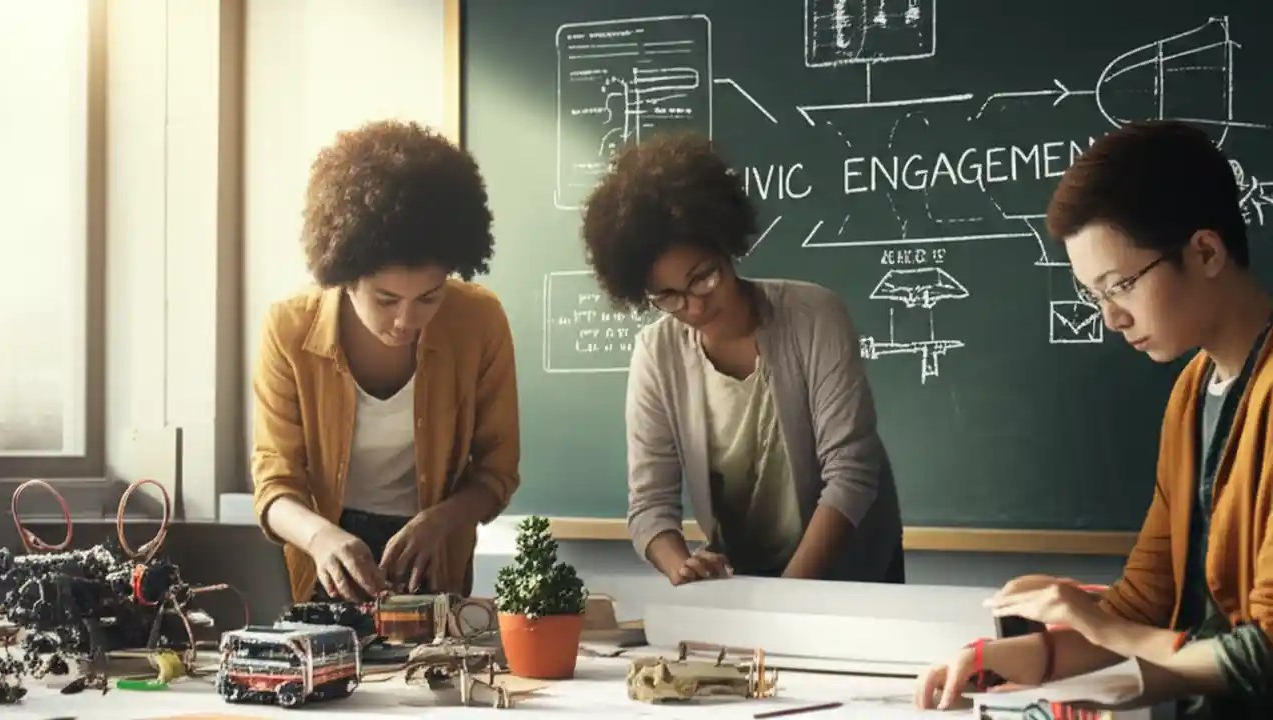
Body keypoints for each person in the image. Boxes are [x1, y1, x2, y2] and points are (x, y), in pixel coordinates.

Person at [914, 120, 1273, 717]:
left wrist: (1100, 628)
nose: (1111, 318)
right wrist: (1032, 656)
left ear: (1206, 251)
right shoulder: (1192, 392)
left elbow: (1262, 655)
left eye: (1120, 286)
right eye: (1093, 295)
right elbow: (1146, 602)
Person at [580, 132, 904, 586]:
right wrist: (680, 565)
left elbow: (851, 473)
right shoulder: (657, 354)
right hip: (743, 583)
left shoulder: (814, 317)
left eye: (703, 278)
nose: (692, 308)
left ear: (726, 248)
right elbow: (650, 506)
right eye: (667, 296)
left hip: (850, 579)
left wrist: (787, 597)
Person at [251, 119, 520, 605]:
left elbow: (497, 472)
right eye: (386, 298)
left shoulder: (480, 321)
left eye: (429, 298)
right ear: (345, 275)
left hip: (434, 559)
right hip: (320, 562)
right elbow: (274, 486)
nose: (406, 321)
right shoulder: (289, 330)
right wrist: (320, 538)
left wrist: (441, 521)